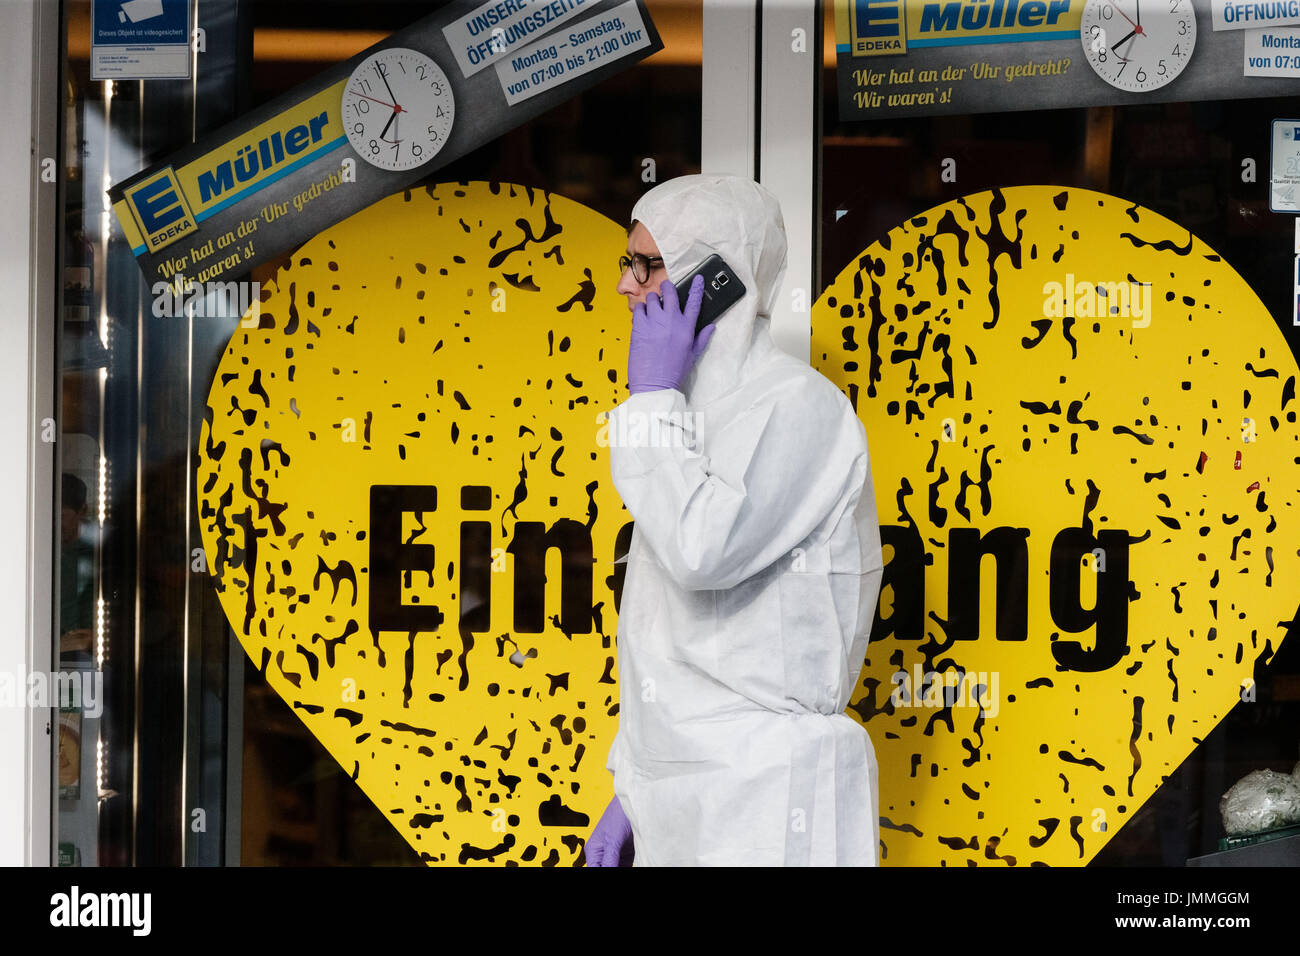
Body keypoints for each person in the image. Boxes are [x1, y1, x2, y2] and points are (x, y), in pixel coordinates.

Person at [585, 174, 884, 866]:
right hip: (686, 790)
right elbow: (663, 636)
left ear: (713, 277)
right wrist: (633, 783)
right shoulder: (687, 419)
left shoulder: (796, 408)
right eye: (626, 264)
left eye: (647, 265)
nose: (627, 287)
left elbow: (701, 549)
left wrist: (651, 403)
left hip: (770, 799)